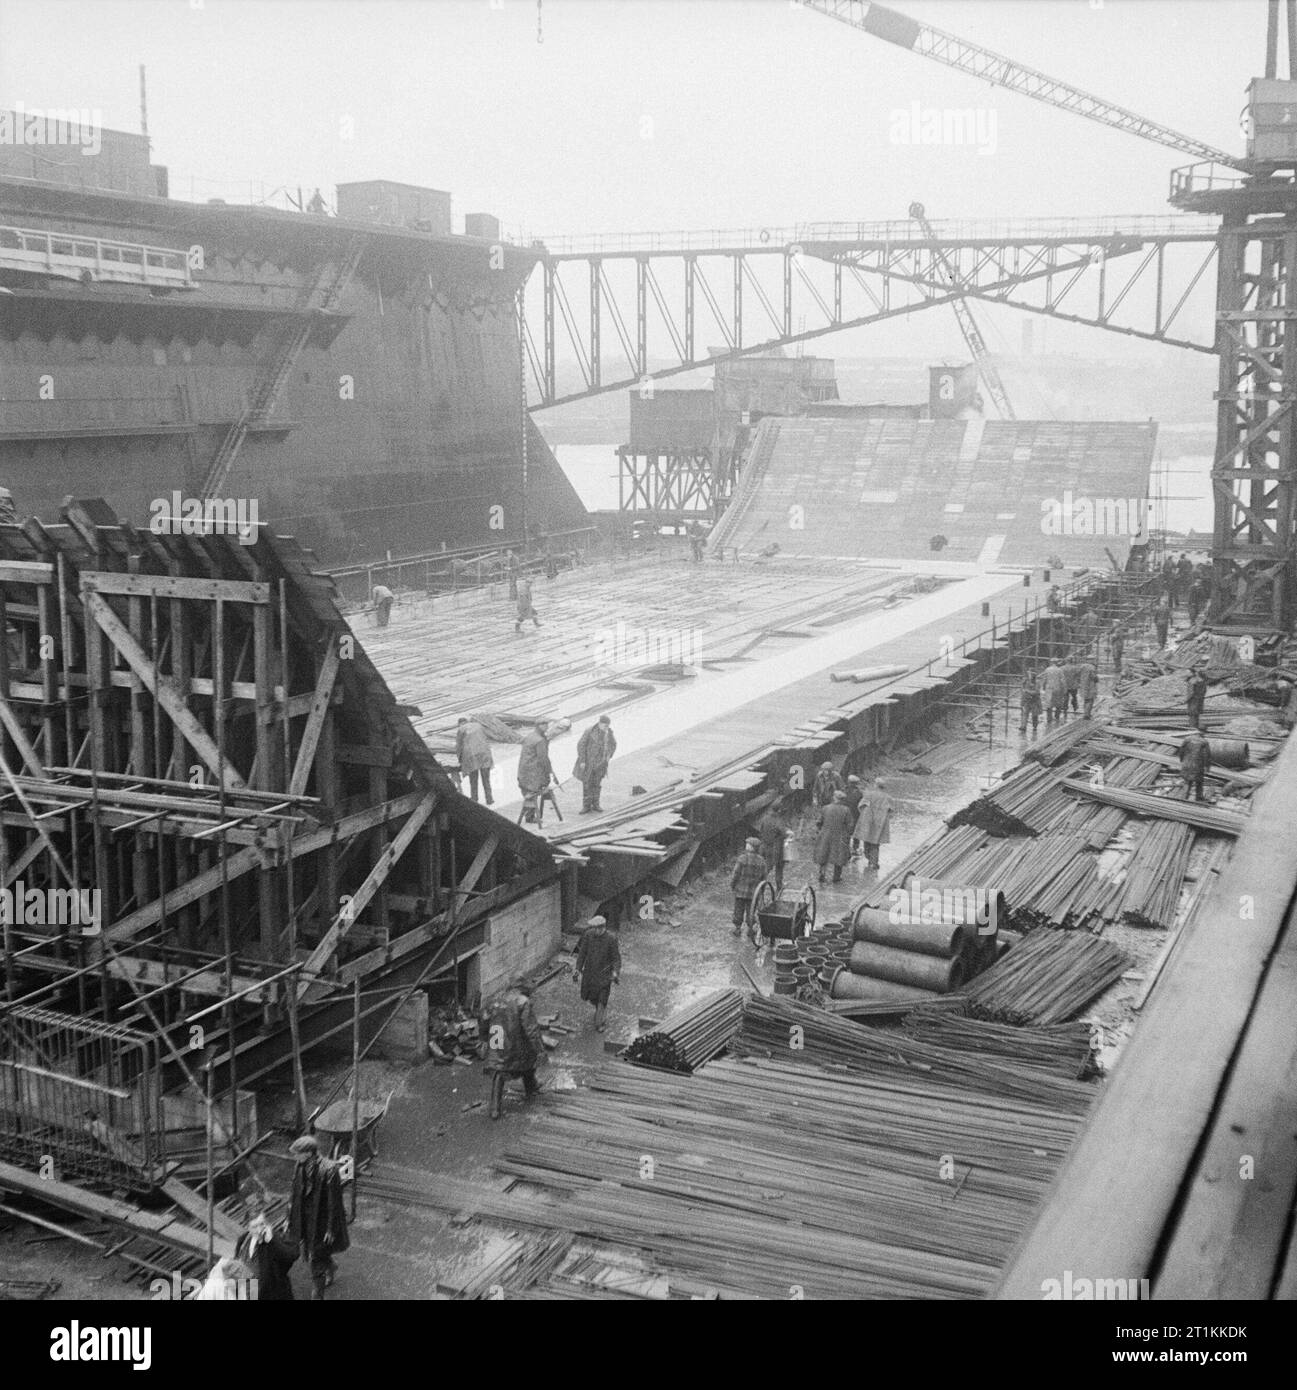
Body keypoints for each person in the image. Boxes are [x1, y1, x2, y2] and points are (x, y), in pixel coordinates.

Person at [287, 1135, 350, 1300]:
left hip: (321, 1221)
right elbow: (294, 1192)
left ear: (308, 1153)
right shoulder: (299, 1166)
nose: (295, 1157)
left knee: (316, 1259)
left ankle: (317, 1295)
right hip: (305, 1219)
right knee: (315, 1252)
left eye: (297, 1153)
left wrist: (331, 1229)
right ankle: (331, 1266)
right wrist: (289, 1217)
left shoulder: (329, 1170)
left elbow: (334, 1203)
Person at [484, 979, 545, 1117]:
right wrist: (540, 1049)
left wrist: (483, 1038)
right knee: (529, 1060)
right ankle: (530, 1088)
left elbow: (484, 1018)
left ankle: (495, 1108)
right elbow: (531, 1029)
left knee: (498, 1071)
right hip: (515, 1042)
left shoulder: (494, 1000)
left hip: (497, 1043)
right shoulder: (522, 1002)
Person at [574, 916, 621, 1031]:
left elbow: (616, 958)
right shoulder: (588, 935)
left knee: (602, 999)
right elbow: (582, 953)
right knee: (593, 998)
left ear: (603, 928)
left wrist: (615, 972)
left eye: (597, 928)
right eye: (594, 928)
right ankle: (600, 1011)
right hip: (590, 973)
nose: (595, 930)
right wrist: (578, 969)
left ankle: (599, 1023)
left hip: (604, 975)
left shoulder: (611, 939)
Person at [241, 1204, 297, 1301]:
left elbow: (292, 1255)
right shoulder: (243, 1241)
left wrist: (272, 1241)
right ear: (247, 1227)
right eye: (254, 1227)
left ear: (267, 1223)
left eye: (262, 1224)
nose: (259, 1230)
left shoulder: (274, 1238)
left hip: (274, 1293)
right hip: (252, 1291)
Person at [574, 714, 616, 814]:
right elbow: (581, 745)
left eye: (608, 726)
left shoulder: (609, 733)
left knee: (597, 784)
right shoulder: (589, 731)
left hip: (601, 764)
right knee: (587, 784)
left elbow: (613, 744)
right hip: (589, 763)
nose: (606, 728)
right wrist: (583, 760)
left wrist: (608, 756)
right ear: (600, 724)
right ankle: (586, 806)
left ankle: (596, 804)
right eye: (605, 726)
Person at [731, 836, 769, 938]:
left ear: (750, 847)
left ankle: (737, 928)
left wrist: (733, 885)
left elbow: (736, 874)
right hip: (754, 892)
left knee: (738, 910)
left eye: (747, 844)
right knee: (751, 911)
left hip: (741, 890)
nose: (746, 845)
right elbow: (764, 878)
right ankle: (750, 929)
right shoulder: (762, 861)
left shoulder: (742, 858)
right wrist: (761, 891)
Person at [517, 721, 555, 823]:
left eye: (547, 725)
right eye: (544, 725)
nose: (546, 727)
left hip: (523, 771)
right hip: (532, 773)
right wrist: (549, 773)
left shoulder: (530, 736)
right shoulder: (540, 740)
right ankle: (530, 816)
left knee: (529, 791)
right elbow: (543, 759)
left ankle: (529, 816)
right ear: (538, 726)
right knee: (537, 789)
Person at [815, 790, 854, 885]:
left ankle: (822, 874)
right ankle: (836, 877)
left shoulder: (825, 808)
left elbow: (819, 822)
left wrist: (820, 830)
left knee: (824, 854)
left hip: (826, 834)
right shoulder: (846, 810)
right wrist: (848, 834)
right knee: (839, 856)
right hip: (840, 835)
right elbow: (850, 825)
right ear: (842, 800)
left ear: (834, 798)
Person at [853, 777, 891, 871]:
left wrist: (864, 816)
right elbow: (890, 811)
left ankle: (870, 859)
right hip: (880, 823)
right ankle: (873, 863)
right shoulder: (887, 797)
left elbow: (860, 806)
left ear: (876, 785)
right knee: (876, 843)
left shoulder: (869, 795)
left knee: (866, 840)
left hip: (868, 821)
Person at [455, 716, 494, 805]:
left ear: (459, 724)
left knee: (473, 780)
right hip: (485, 753)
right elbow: (487, 738)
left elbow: (459, 746)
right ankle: (489, 799)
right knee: (486, 779)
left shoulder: (461, 729)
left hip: (471, 756)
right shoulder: (478, 725)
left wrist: (460, 759)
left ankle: (474, 799)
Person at [756, 802, 787, 892]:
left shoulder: (764, 818)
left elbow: (760, 830)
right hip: (776, 849)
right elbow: (783, 833)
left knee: (765, 868)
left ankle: (760, 887)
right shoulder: (778, 820)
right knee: (779, 867)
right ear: (779, 810)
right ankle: (779, 886)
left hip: (764, 847)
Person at [1179, 728, 1211, 802]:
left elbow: (1181, 751)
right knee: (1199, 782)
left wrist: (1182, 760)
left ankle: (1184, 797)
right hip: (1198, 765)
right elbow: (1207, 755)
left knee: (1187, 781)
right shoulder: (1204, 742)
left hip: (1186, 764)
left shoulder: (1187, 739)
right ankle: (1199, 797)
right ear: (1203, 732)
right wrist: (1207, 766)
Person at [1041, 657, 1067, 726]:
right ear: (1057, 662)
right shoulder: (1059, 670)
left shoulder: (1047, 670)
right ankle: (1057, 716)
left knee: (1049, 703)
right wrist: (1064, 689)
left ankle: (1049, 718)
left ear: (1051, 662)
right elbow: (1062, 680)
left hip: (1049, 688)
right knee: (1058, 703)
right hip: (1057, 688)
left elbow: (1044, 679)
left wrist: (1043, 687)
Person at [843, 774, 864, 854]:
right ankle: (855, 848)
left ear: (848, 782)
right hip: (855, 815)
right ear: (856, 784)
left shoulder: (844, 791)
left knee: (846, 831)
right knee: (856, 832)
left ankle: (845, 848)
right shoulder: (859, 793)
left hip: (845, 814)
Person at [1019, 668, 1042, 738]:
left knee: (1034, 715)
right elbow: (1022, 689)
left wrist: (1027, 691)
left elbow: (1037, 692)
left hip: (1035, 700)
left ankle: (1034, 727)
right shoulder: (1026, 681)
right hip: (1027, 700)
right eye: (1029, 674)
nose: (1030, 675)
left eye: (1031, 674)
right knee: (1025, 713)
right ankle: (1023, 727)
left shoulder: (1037, 682)